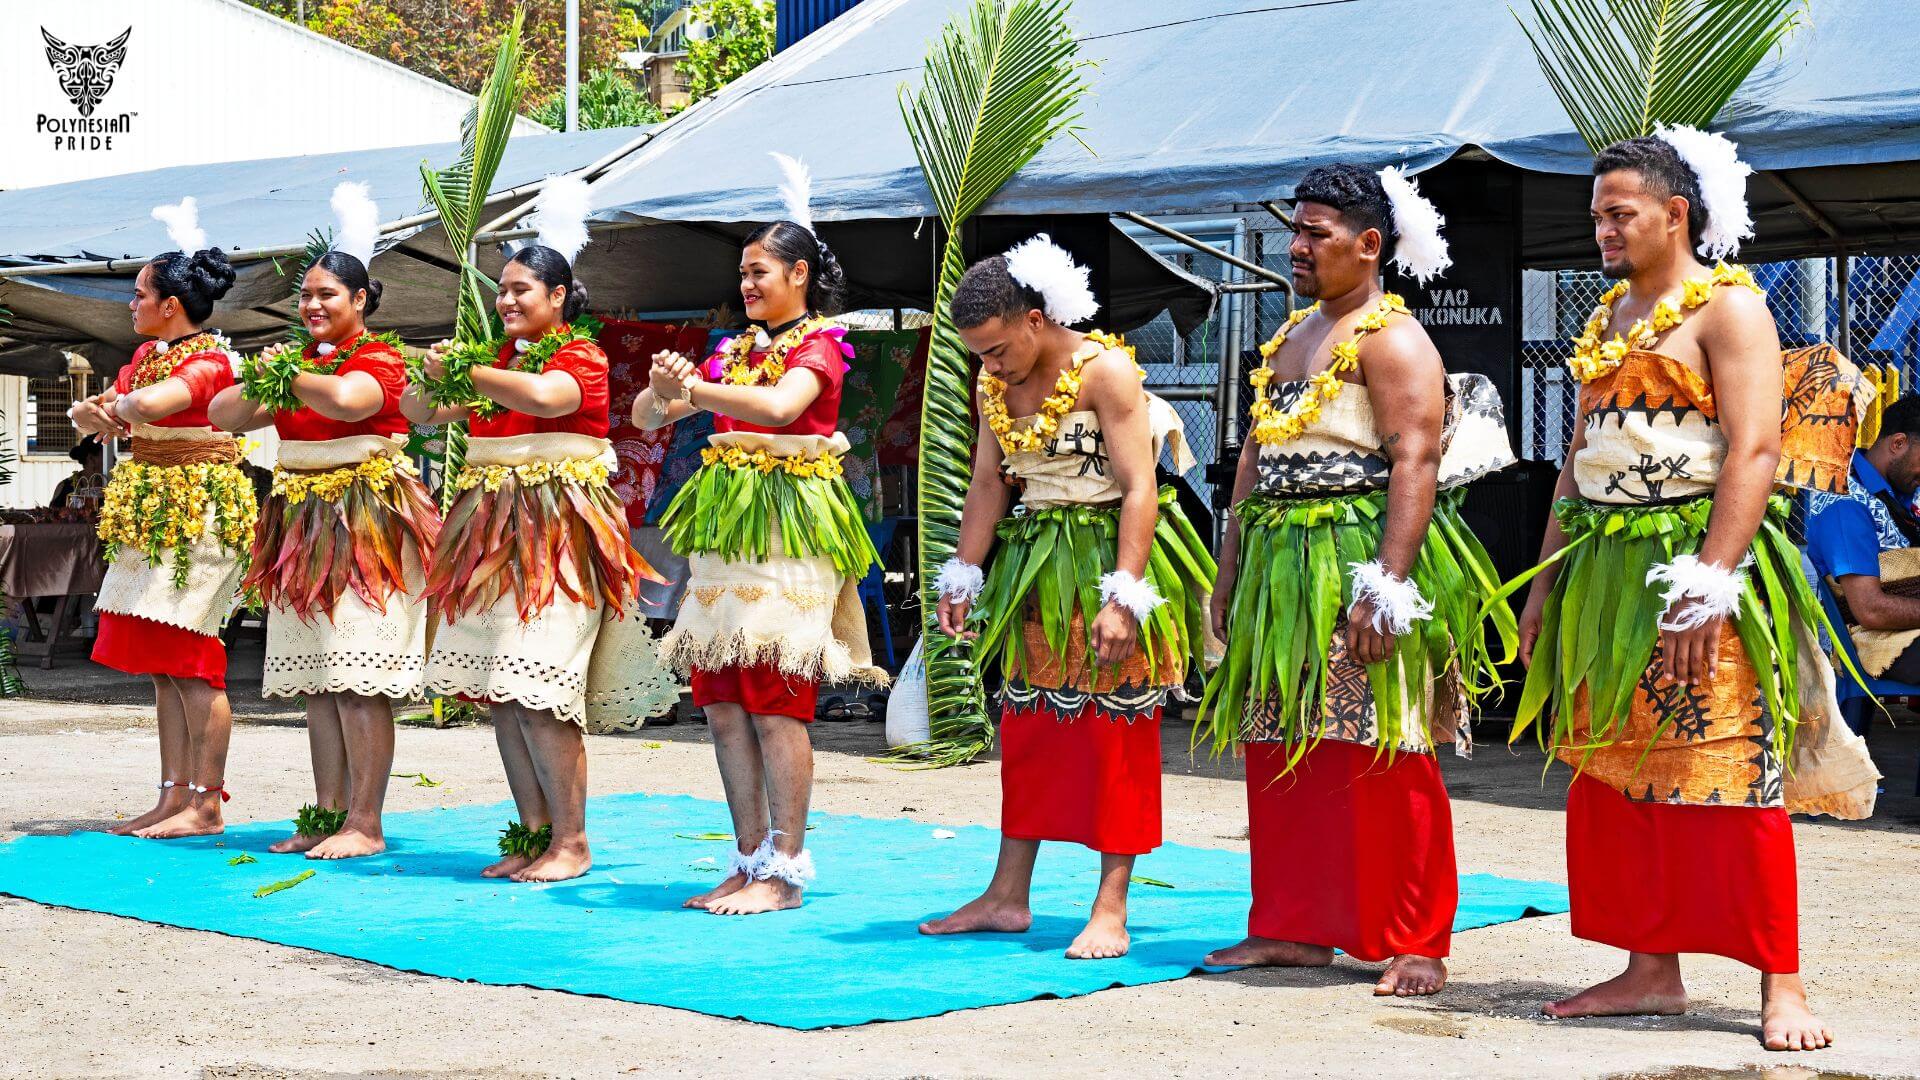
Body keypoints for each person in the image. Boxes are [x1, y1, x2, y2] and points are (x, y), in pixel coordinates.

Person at [1507, 128, 1879, 1051]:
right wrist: (1547, 582)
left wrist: (1708, 583)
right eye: (1596, 215)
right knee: (1614, 771)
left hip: (1698, 558)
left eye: (1617, 214)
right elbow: (1576, 461)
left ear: (1675, 214)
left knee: (1725, 763)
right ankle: (1649, 970)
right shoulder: (1605, 319)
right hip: (1601, 565)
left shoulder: (1731, 310)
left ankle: (1779, 984)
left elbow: (1752, 449)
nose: (1601, 230)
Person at [1194, 164, 1515, 994]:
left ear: (1369, 245)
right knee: (1283, 747)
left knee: (1385, 748)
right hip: (1277, 562)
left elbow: (1416, 458)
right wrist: (1228, 573)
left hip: (1357, 553)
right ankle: (1294, 927)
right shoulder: (1292, 334)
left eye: (1315, 234)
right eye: (1295, 231)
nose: (1296, 247)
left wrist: (1386, 585)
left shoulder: (1394, 338)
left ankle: (1417, 940)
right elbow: (1254, 463)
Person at [916, 236, 1216, 959]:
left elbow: (1141, 486)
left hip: (1111, 557)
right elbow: (990, 484)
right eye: (977, 354)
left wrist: (1124, 595)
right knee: (1030, 731)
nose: (989, 365)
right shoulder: (992, 384)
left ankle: (1111, 906)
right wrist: (964, 574)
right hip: (1033, 565)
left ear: (1033, 321)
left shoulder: (1105, 370)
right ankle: (1006, 896)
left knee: (1115, 732)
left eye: (996, 349)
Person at [640, 155, 884, 916]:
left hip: (788, 526)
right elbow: (653, 419)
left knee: (777, 699)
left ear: (800, 275)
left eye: (759, 272)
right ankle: (746, 861)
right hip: (725, 533)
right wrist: (660, 390)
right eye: (742, 274)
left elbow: (781, 410)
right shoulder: (733, 349)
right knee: (720, 699)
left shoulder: (822, 345)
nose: (746, 285)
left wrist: (695, 390)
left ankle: (786, 866)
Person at [406, 189, 663, 884]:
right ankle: (532, 833)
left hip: (557, 540)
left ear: (558, 296)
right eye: (504, 291)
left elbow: (549, 399)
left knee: (540, 687)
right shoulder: (501, 360)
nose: (508, 301)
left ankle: (573, 842)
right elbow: (421, 411)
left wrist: (472, 370)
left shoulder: (578, 354)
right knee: (502, 691)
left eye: (522, 289)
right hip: (490, 539)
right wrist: (430, 376)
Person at [210, 185, 439, 860]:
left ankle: (365, 823)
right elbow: (223, 414)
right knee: (315, 677)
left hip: (367, 524)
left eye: (326, 296)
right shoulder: (298, 367)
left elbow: (348, 403)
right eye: (305, 297)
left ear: (359, 301)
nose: (312, 306)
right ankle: (325, 814)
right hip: (301, 528)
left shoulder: (379, 358)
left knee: (354, 674)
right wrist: (276, 375)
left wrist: (287, 374)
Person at [68, 198, 256, 839]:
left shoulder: (208, 361)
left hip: (198, 515)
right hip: (154, 511)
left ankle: (206, 804)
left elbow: (148, 405)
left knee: (194, 659)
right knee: (163, 662)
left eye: (140, 293)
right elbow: (101, 416)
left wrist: (115, 408)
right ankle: (172, 795)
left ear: (170, 305)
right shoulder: (147, 356)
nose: (131, 303)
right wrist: (113, 411)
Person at [1806, 394, 1920, 680]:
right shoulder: (1846, 505)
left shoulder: (1897, 491)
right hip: (1877, 642)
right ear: (1898, 444)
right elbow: (1870, 610)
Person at [47, 435, 105, 509]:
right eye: (106, 454)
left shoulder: (116, 487)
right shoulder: (65, 487)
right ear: (91, 459)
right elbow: (52, 516)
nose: (114, 459)